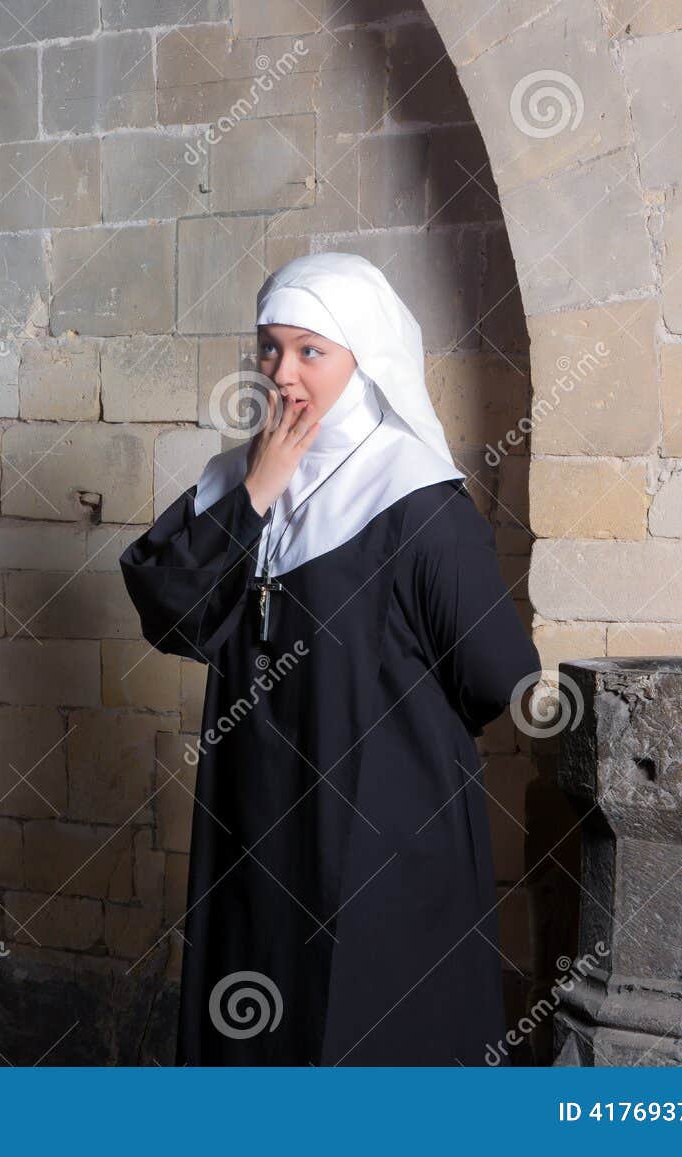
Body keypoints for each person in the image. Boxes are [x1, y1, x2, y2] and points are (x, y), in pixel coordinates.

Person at [120, 252, 541, 1065]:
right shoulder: (234, 478)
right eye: (270, 348)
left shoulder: (417, 496)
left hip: (384, 836)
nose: (284, 374)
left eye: (311, 351)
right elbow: (171, 613)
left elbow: (495, 673)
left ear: (365, 358)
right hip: (256, 825)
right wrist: (256, 492)